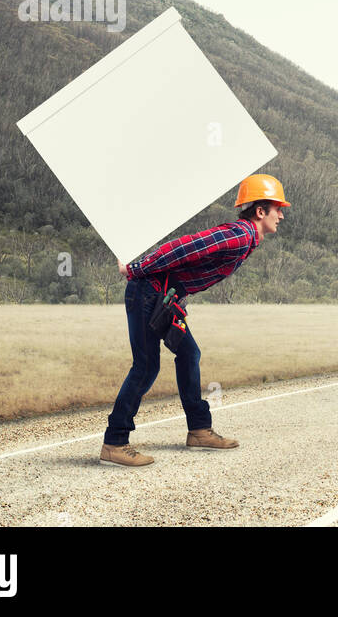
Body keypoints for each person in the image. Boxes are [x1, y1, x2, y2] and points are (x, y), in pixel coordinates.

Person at [99, 173, 289, 467]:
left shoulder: (246, 239)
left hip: (163, 297)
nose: (282, 216)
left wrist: (178, 298)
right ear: (261, 211)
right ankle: (115, 442)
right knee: (146, 366)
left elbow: (190, 267)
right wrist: (136, 269)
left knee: (190, 353)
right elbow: (183, 248)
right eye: (279, 209)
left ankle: (199, 430)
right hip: (147, 291)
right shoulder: (239, 235)